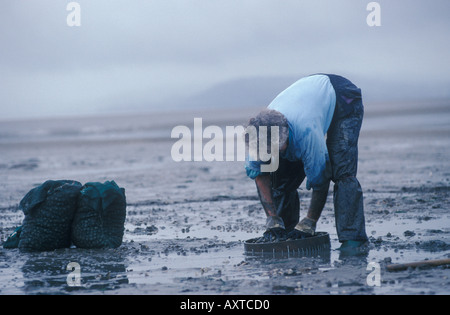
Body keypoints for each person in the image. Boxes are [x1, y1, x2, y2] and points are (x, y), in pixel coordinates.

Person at [244, 74, 368, 251]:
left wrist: (310, 221)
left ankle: (353, 239)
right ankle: (284, 232)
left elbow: (321, 179)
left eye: (277, 149)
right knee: (280, 178)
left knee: (342, 172)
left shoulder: (306, 134)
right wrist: (272, 217)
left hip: (342, 97)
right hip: (306, 98)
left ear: (285, 136)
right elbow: (259, 175)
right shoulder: (257, 136)